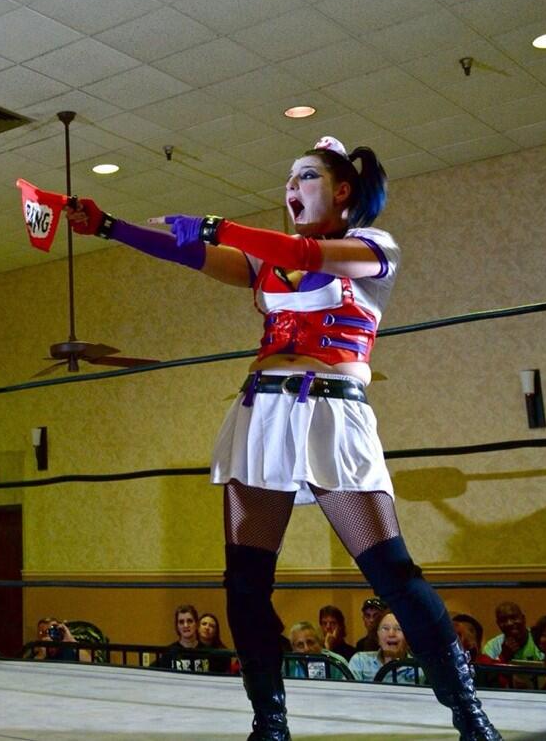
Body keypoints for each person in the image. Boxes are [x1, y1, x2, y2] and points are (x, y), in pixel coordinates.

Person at [68, 136, 500, 740]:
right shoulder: (265, 263)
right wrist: (107, 225)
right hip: (261, 414)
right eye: (289, 179)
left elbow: (303, 250)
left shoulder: (374, 247)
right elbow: (187, 254)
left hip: (332, 411)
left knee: (393, 574)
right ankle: (269, 723)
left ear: (343, 190)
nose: (291, 187)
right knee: (245, 583)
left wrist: (220, 226)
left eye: (306, 177)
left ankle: (471, 717)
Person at [348, 611, 424, 685]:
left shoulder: (420, 668)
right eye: (385, 628)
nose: (391, 634)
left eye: (399, 628)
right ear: (377, 636)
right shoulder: (360, 662)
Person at [284, 621, 349, 680]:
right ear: (293, 648)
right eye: (300, 645)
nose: (306, 649)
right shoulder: (286, 665)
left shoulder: (337, 663)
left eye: (310, 642)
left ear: (319, 642)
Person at [159, 605, 209, 672]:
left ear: (197, 624)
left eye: (190, 621)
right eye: (181, 622)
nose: (186, 625)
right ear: (177, 626)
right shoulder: (168, 653)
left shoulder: (207, 652)